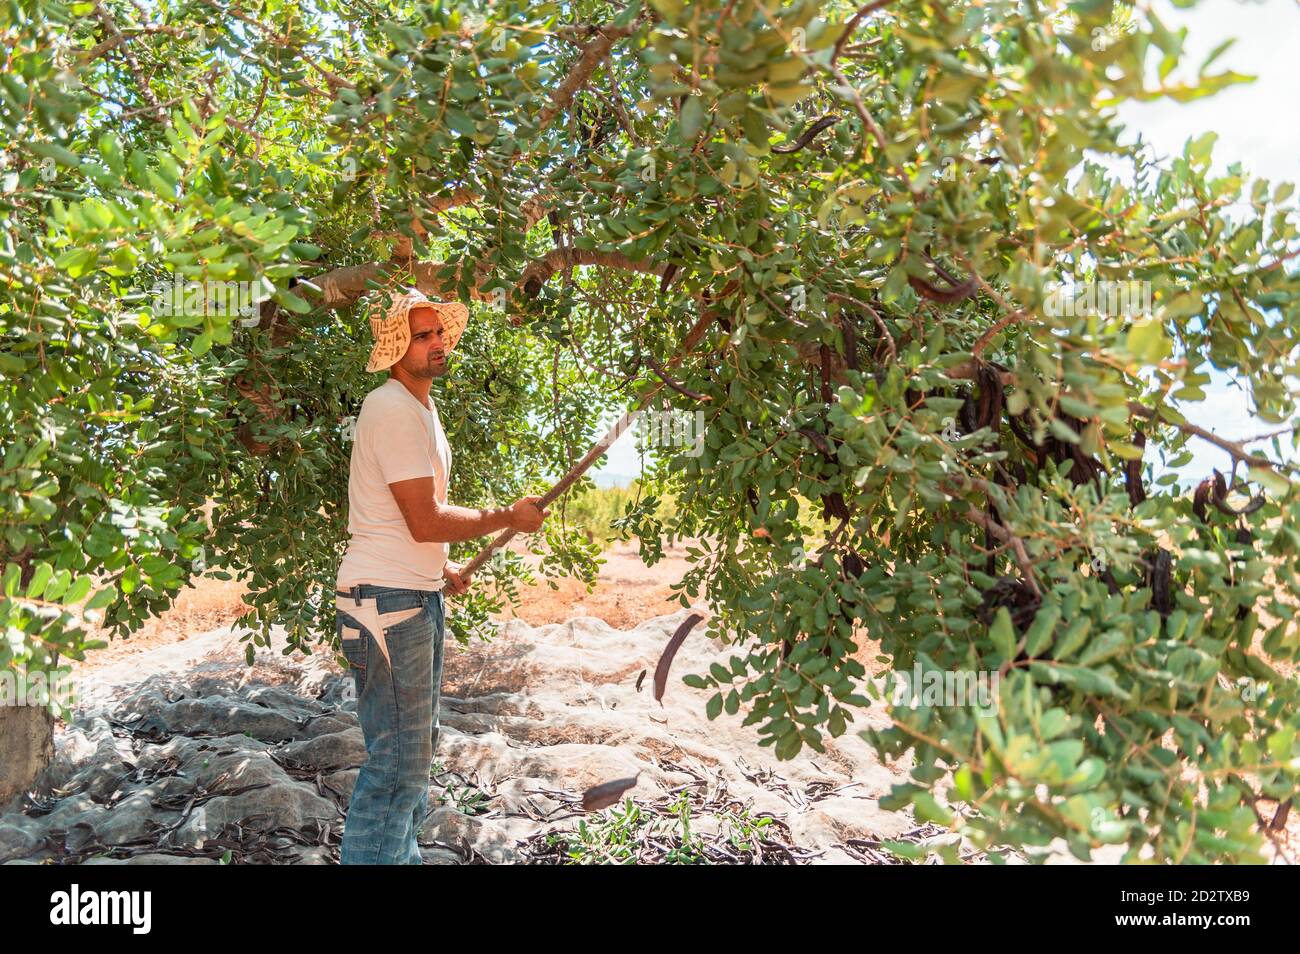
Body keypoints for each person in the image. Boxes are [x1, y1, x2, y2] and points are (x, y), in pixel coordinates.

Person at [334, 288, 549, 865]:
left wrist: (442, 567)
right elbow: (425, 519)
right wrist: (506, 515)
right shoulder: (392, 409)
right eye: (422, 335)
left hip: (408, 593)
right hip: (387, 602)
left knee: (413, 752)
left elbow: (407, 524)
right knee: (397, 763)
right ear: (397, 346)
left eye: (439, 333)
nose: (436, 343)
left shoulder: (422, 408)